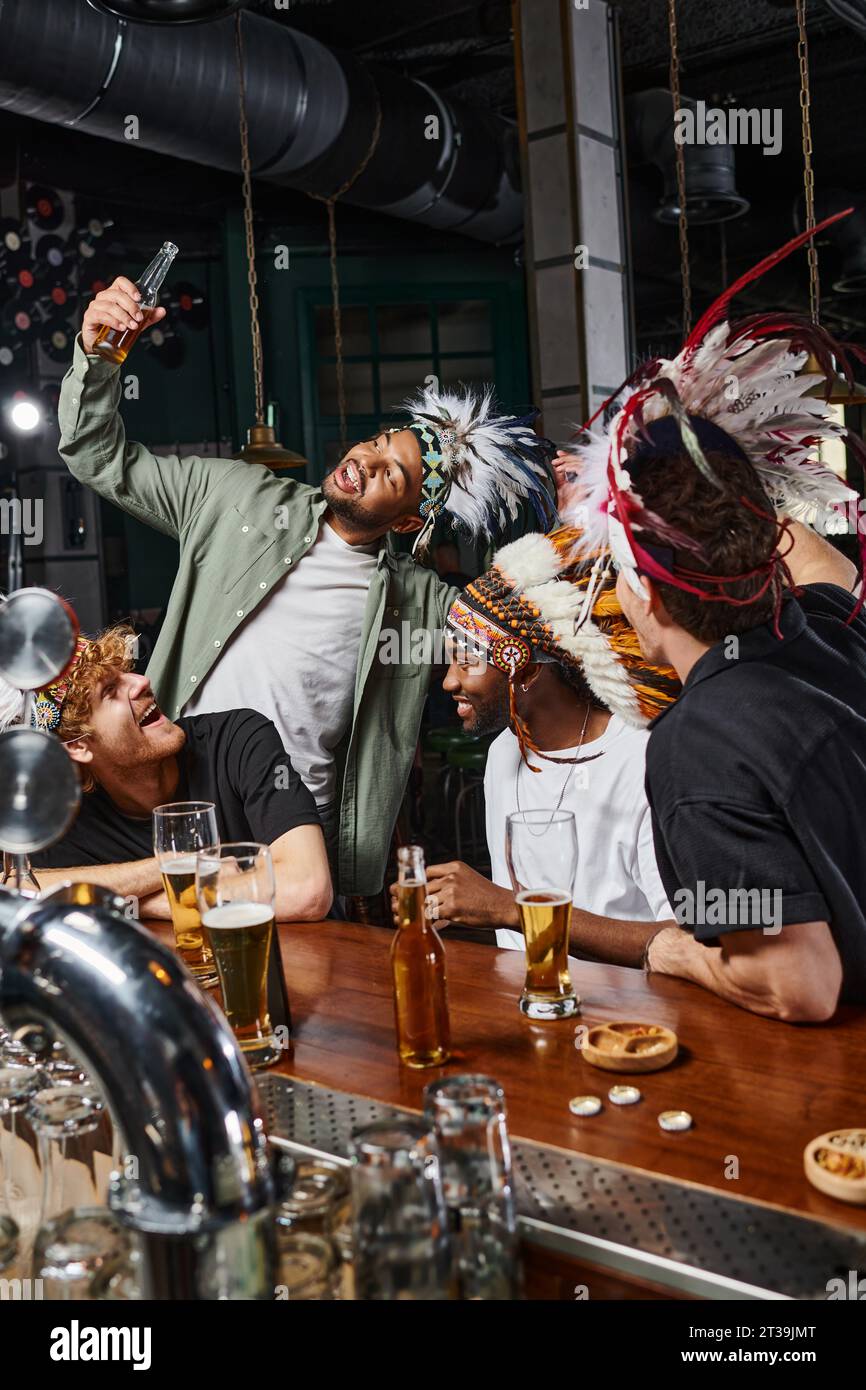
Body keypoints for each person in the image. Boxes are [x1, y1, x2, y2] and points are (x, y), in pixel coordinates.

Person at [59, 280, 557, 898]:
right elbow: (96, 455)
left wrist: (581, 520)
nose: (366, 461)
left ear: (406, 521)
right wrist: (100, 357)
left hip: (296, 829)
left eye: (391, 474)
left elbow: (529, 631)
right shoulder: (232, 497)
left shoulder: (419, 601)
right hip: (185, 805)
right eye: (376, 443)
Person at [562, 213, 866, 1020]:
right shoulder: (830, 632)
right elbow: (818, 560)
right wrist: (717, 484)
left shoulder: (698, 747)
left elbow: (799, 984)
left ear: (645, 596)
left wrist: (670, 951)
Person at [390, 526, 681, 957]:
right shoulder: (504, 753)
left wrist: (511, 909)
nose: (449, 680)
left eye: (467, 660)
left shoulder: (644, 763)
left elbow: (681, 943)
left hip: (625, 1018)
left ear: (524, 671)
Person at [16, 624, 332, 922]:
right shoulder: (70, 817)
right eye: (111, 690)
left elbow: (307, 890)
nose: (141, 682)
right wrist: (173, 867)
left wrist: (133, 900)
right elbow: (15, 891)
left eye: (127, 673)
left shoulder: (240, 740)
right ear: (79, 746)